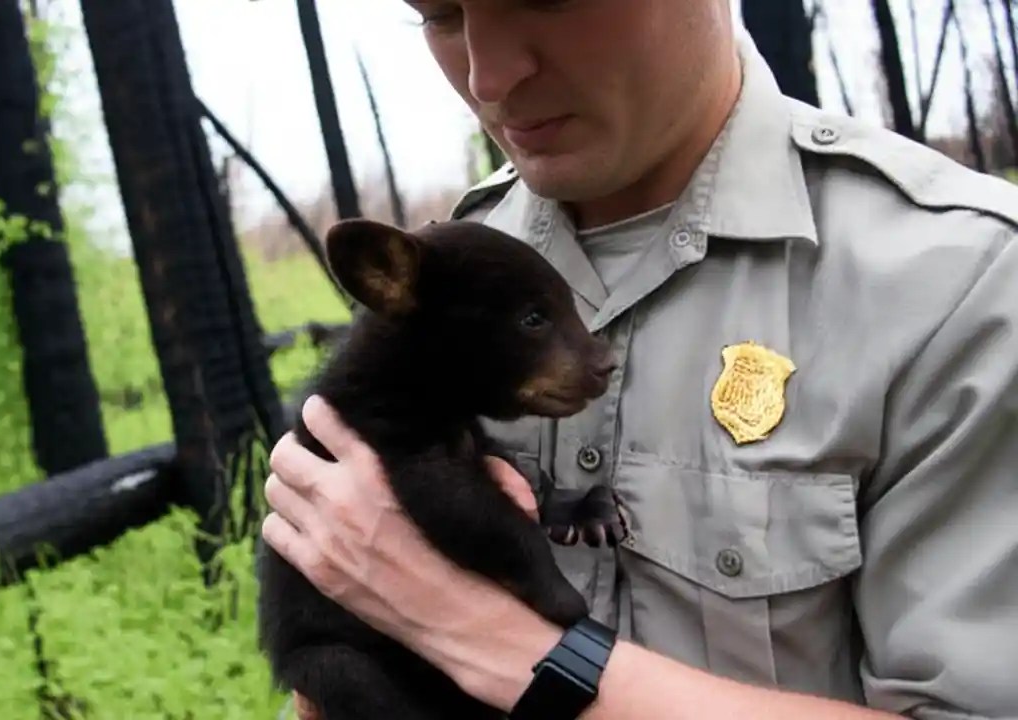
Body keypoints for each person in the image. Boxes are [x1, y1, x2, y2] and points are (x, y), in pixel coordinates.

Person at [259, 1, 1018, 718]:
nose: (489, 78)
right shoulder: (450, 268)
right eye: (441, 15)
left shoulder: (958, 284)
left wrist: (511, 647)